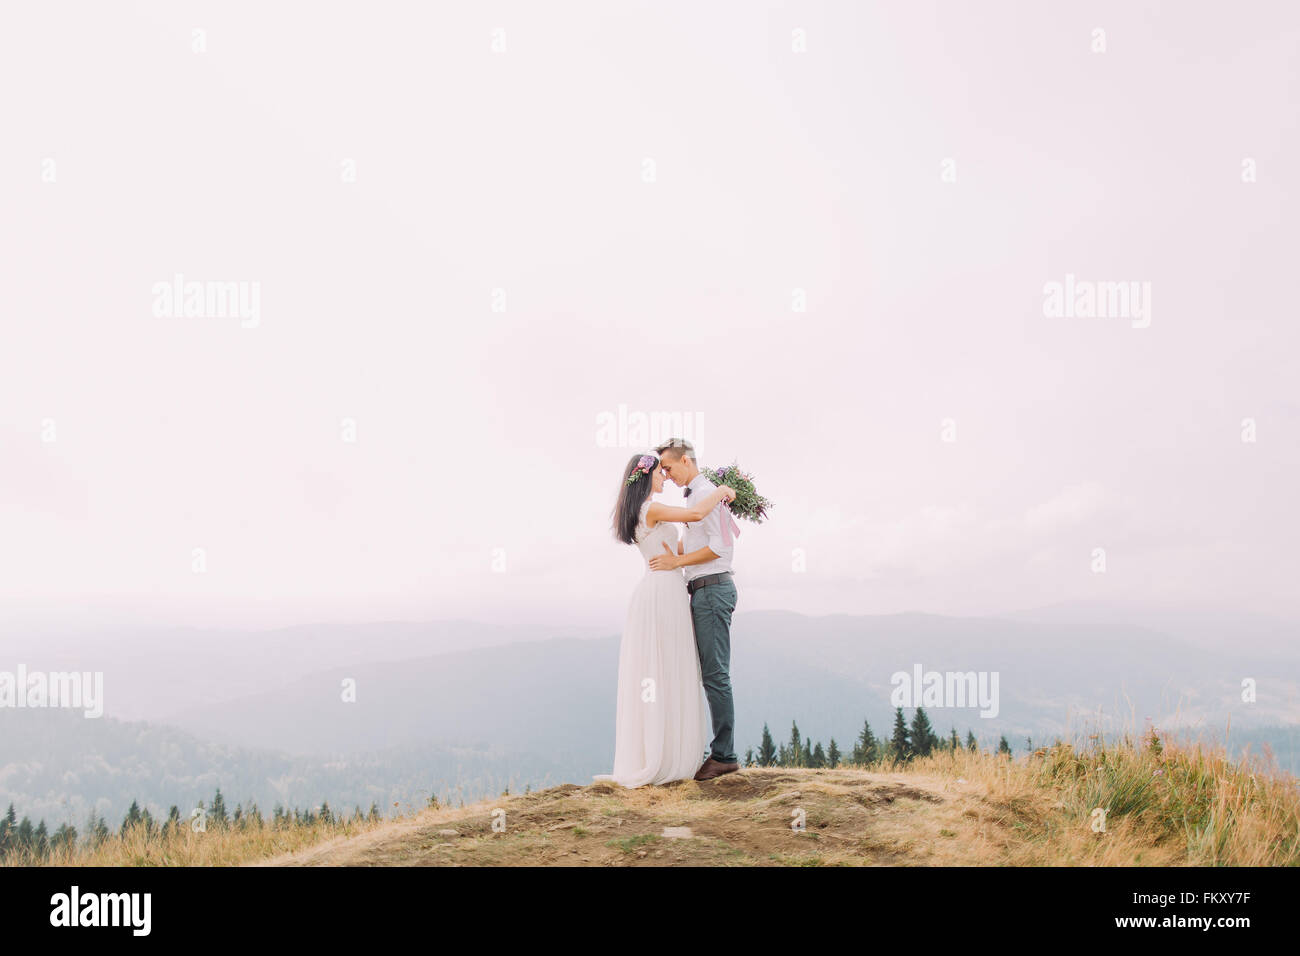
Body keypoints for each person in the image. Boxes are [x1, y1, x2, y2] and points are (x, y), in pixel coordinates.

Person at [594, 450, 736, 787]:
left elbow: (681, 546)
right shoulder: (652, 508)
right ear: (646, 476)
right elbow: (698, 510)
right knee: (667, 669)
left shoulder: (645, 512)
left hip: (664, 588)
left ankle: (667, 751)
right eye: (660, 471)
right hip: (663, 590)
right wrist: (723, 490)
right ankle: (668, 754)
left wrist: (685, 551)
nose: (665, 477)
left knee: (666, 669)